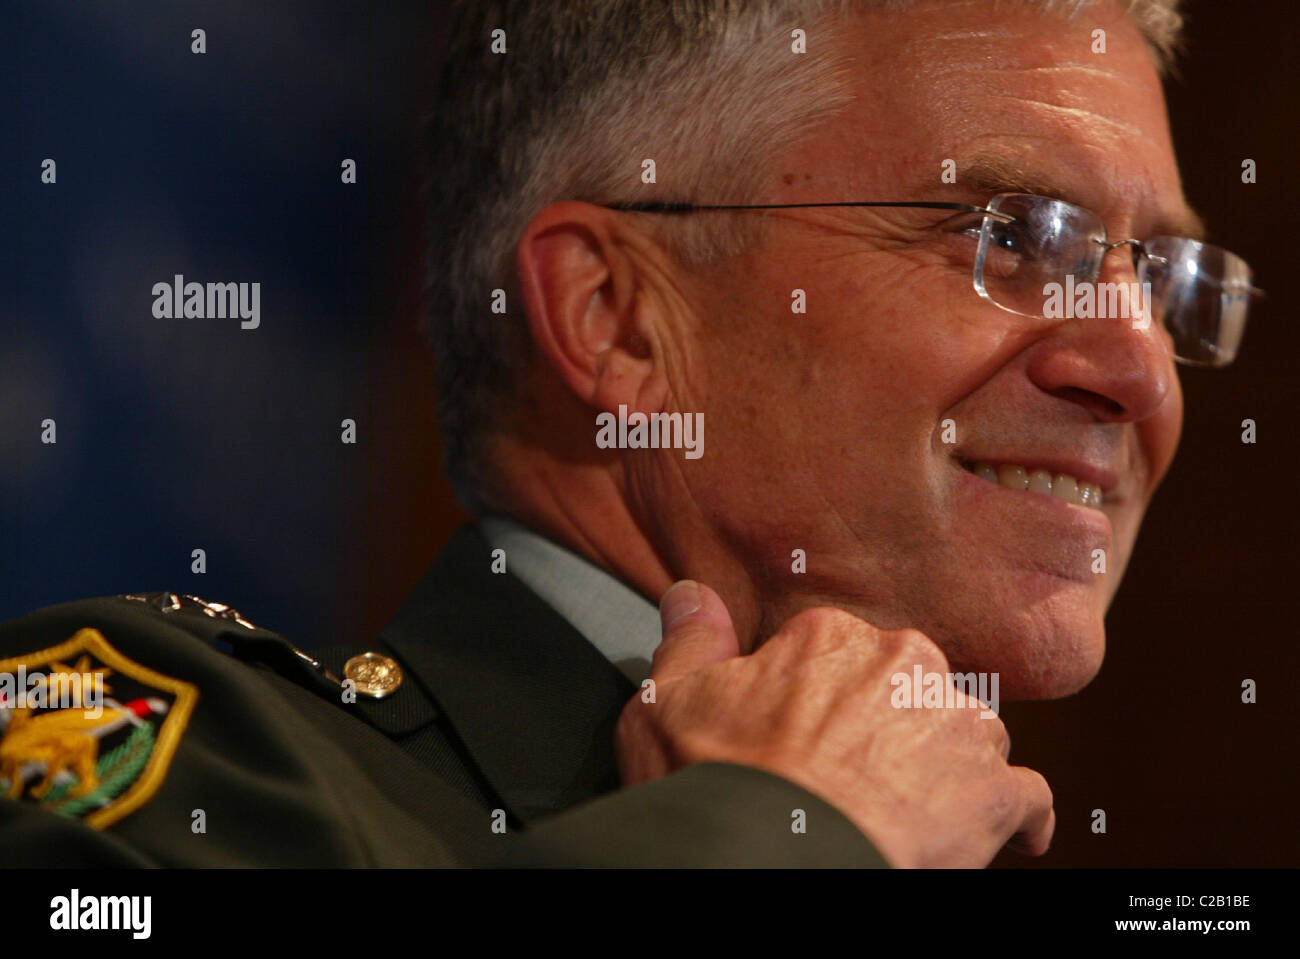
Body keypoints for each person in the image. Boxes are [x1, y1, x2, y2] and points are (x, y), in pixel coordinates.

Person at [0, 0, 1260, 867]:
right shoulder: (183, 766)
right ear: (618, 320)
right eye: (1013, 236)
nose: (1139, 368)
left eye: (1164, 279)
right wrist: (779, 829)